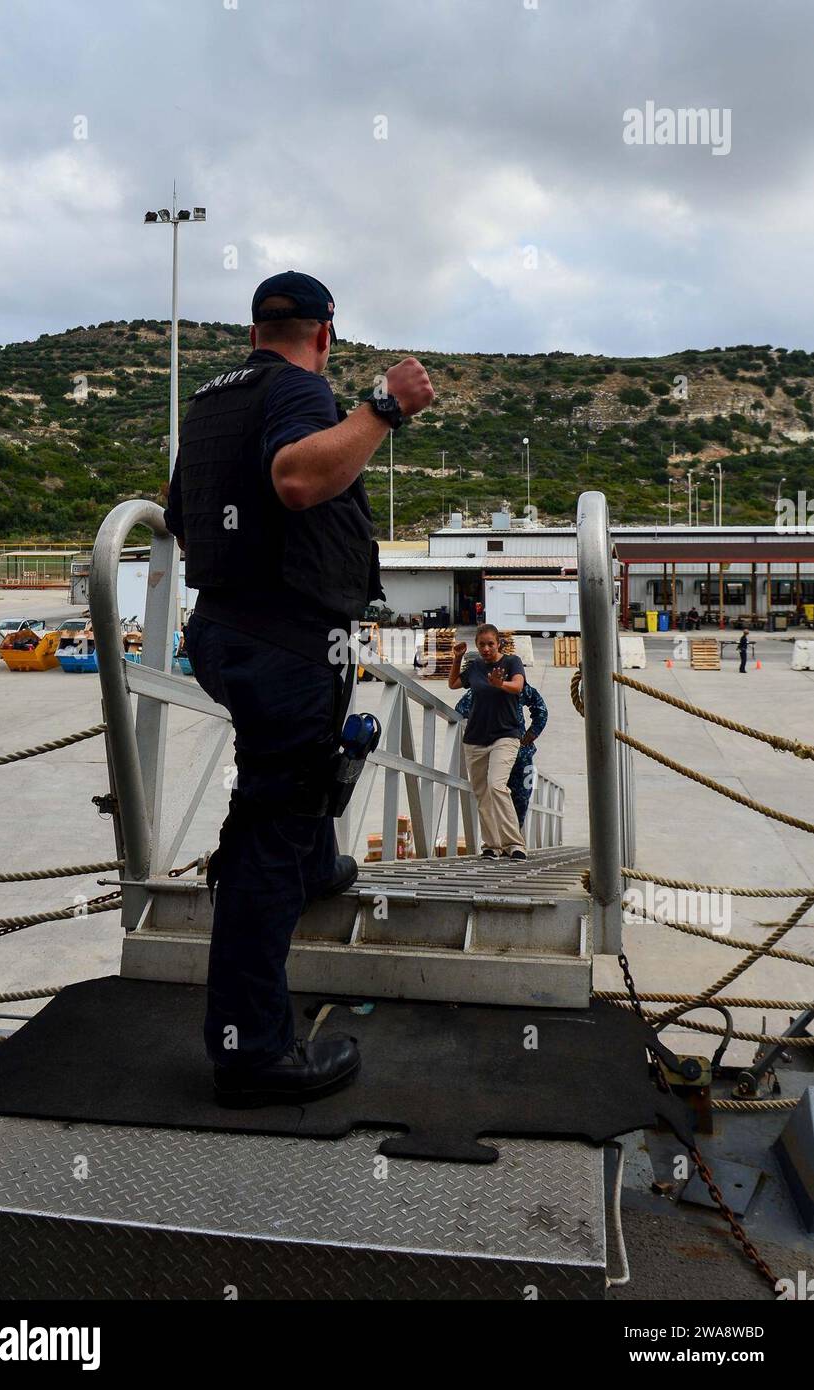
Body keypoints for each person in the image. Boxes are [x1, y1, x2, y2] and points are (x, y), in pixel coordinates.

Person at [165, 271, 434, 1107]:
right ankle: (252, 1056)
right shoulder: (298, 390)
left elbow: (180, 515)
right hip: (281, 643)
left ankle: (314, 866)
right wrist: (382, 407)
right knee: (268, 830)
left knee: (296, 776)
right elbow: (296, 479)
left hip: (223, 631)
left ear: (253, 331)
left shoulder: (213, 401)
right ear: (324, 333)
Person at [448, 624, 528, 859]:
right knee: (482, 792)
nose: (486, 648)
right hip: (475, 738)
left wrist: (499, 684)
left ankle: (514, 843)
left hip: (505, 735)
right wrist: (457, 658)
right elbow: (453, 684)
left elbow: (517, 686)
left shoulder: (511, 662)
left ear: (498, 643)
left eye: (490, 644)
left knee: (496, 785)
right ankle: (492, 845)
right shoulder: (475, 668)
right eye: (481, 644)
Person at [455, 675, 548, 832]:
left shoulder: (518, 688)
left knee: (521, 801)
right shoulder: (478, 692)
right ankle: (501, 842)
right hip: (496, 755)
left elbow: (541, 709)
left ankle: (512, 840)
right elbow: (460, 713)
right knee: (495, 800)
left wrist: (532, 733)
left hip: (521, 758)